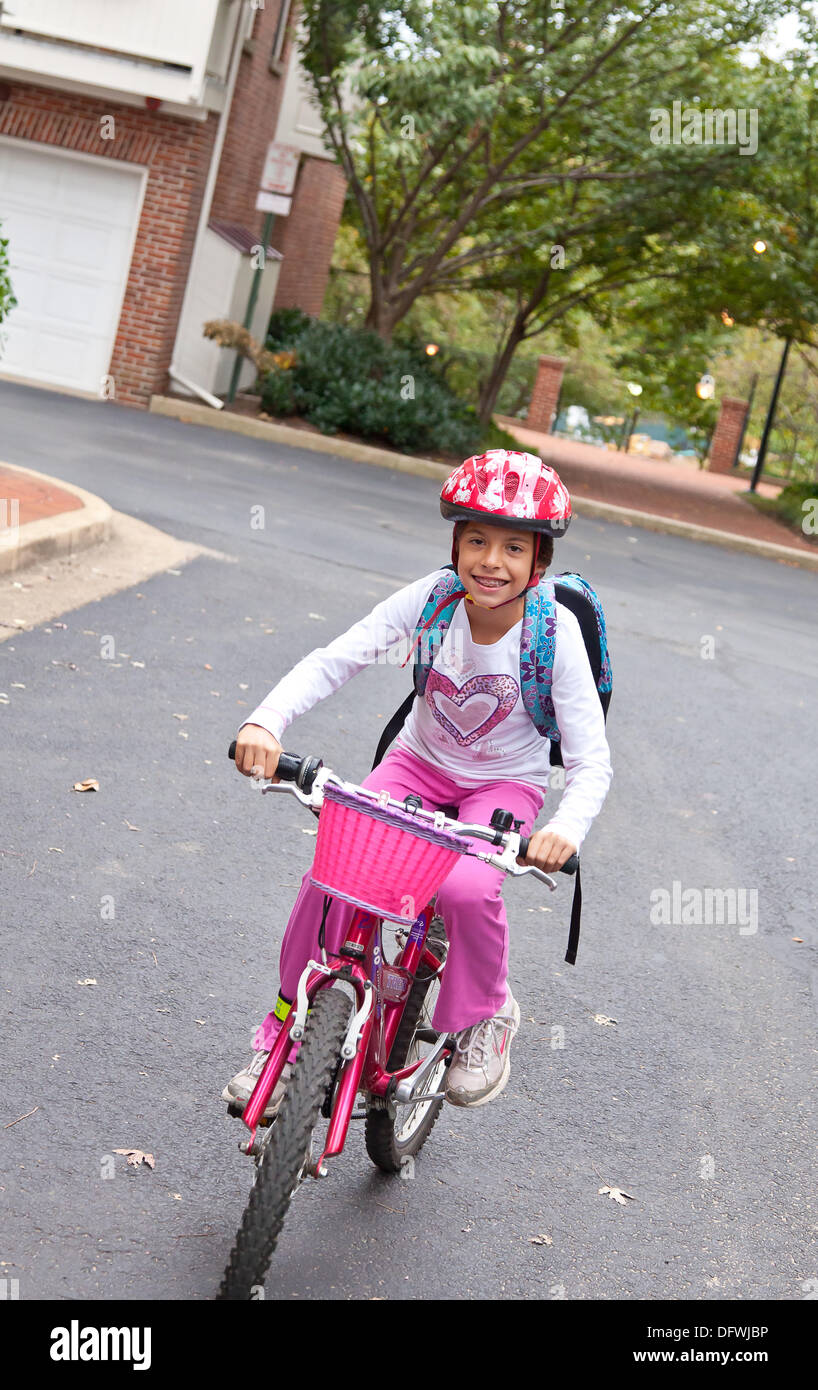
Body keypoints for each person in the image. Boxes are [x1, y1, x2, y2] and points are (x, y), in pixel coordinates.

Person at [222, 449, 612, 1115]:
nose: (492, 560)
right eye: (477, 540)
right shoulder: (432, 601)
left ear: (538, 563)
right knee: (333, 880)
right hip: (417, 765)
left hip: (505, 786)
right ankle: (286, 1034)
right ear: (455, 543)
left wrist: (562, 831)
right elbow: (337, 658)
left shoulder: (555, 633)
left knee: (463, 889)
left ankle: (489, 1011)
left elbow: (590, 760)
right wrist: (265, 723)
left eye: (514, 547)